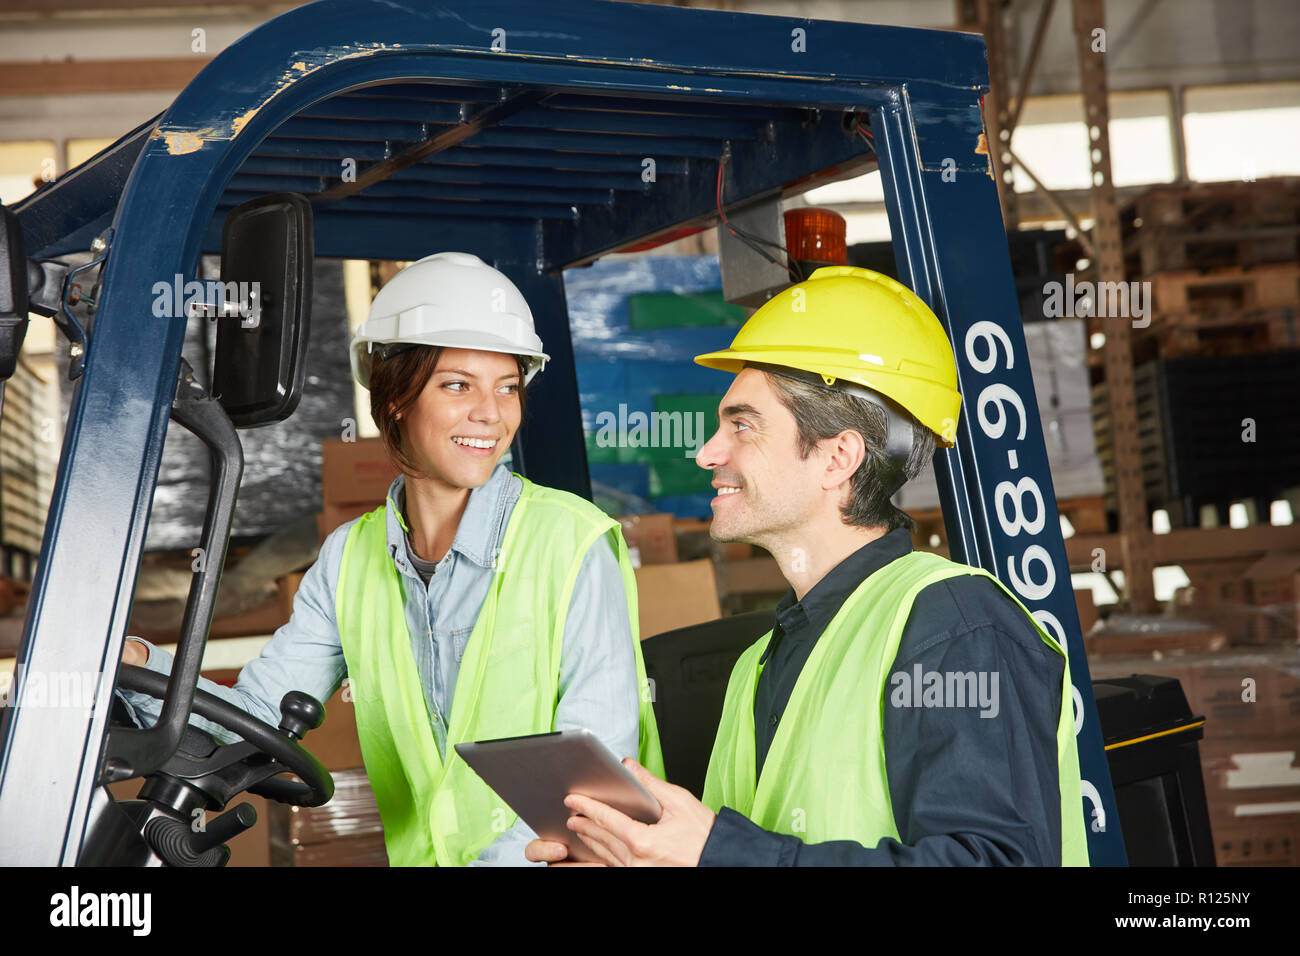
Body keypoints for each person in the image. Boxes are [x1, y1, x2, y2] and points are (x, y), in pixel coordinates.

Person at [525, 266, 1088, 867]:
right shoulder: (756, 666)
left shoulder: (955, 627)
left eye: (742, 425)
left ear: (837, 457)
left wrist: (719, 852)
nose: (708, 452)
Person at [119, 251, 663, 866]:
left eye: (507, 387)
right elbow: (254, 719)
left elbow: (591, 790)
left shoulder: (572, 541)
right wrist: (135, 663)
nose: (491, 412)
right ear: (397, 395)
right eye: (457, 384)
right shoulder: (349, 559)